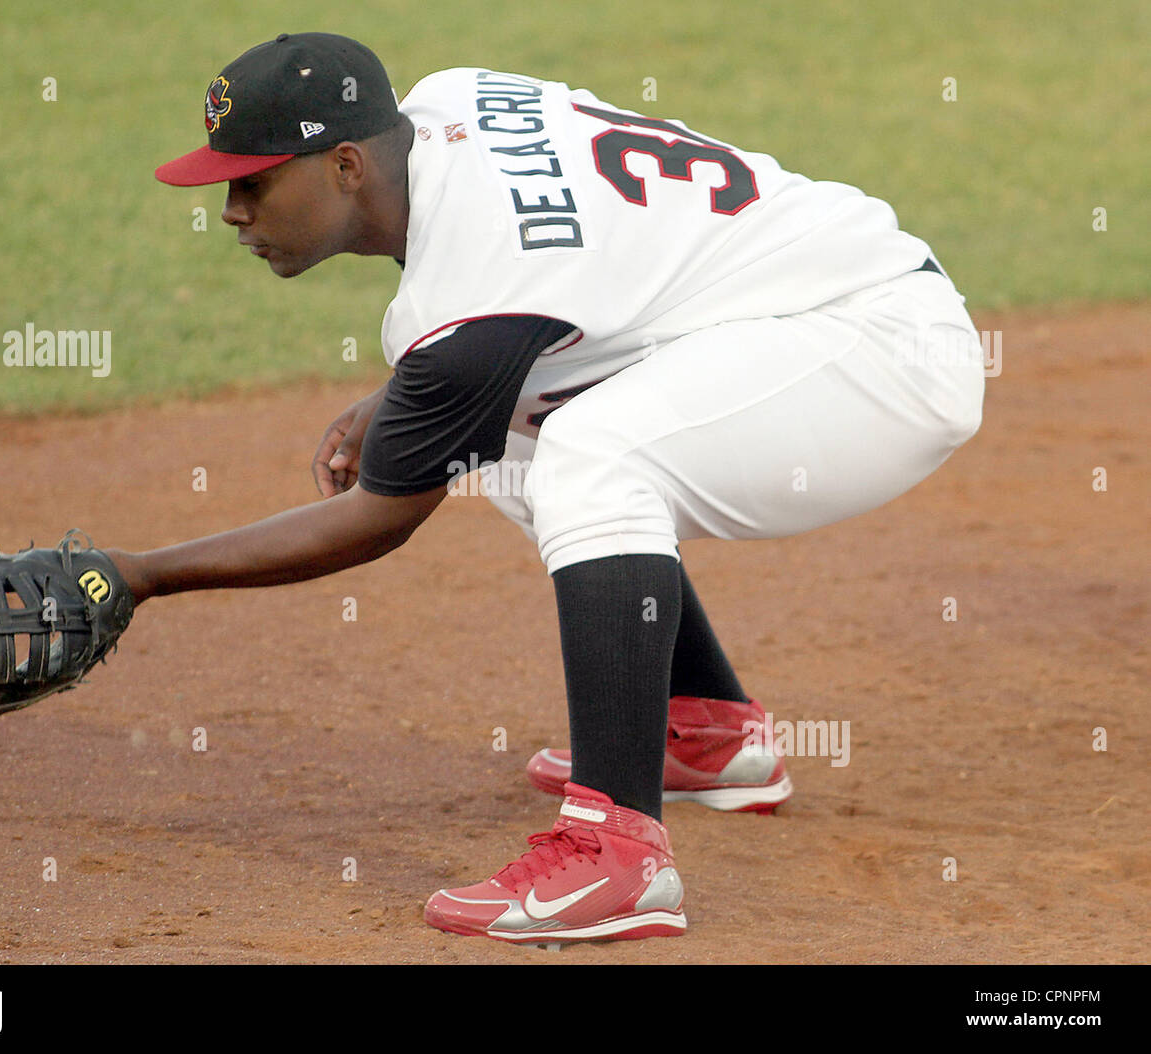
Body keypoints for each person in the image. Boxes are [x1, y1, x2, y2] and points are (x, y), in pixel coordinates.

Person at [129, 31, 984, 944]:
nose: (230, 211)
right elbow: (550, 261)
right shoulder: (446, 102)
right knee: (510, 435)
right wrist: (412, 391)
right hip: (789, 301)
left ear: (345, 165)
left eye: (252, 181)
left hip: (878, 346)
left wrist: (139, 574)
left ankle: (618, 853)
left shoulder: (472, 306)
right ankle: (706, 729)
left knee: (591, 449)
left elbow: (375, 519)